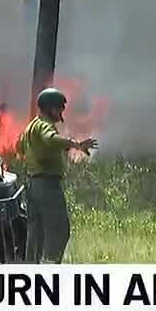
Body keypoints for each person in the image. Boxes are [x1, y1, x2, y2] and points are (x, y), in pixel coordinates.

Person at [16, 88, 97, 263]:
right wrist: (76, 144)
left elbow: (19, 148)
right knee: (60, 228)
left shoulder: (31, 126)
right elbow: (50, 138)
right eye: (59, 107)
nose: (61, 112)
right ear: (49, 107)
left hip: (32, 184)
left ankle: (32, 268)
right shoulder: (45, 125)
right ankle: (51, 265)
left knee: (35, 232)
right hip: (47, 184)